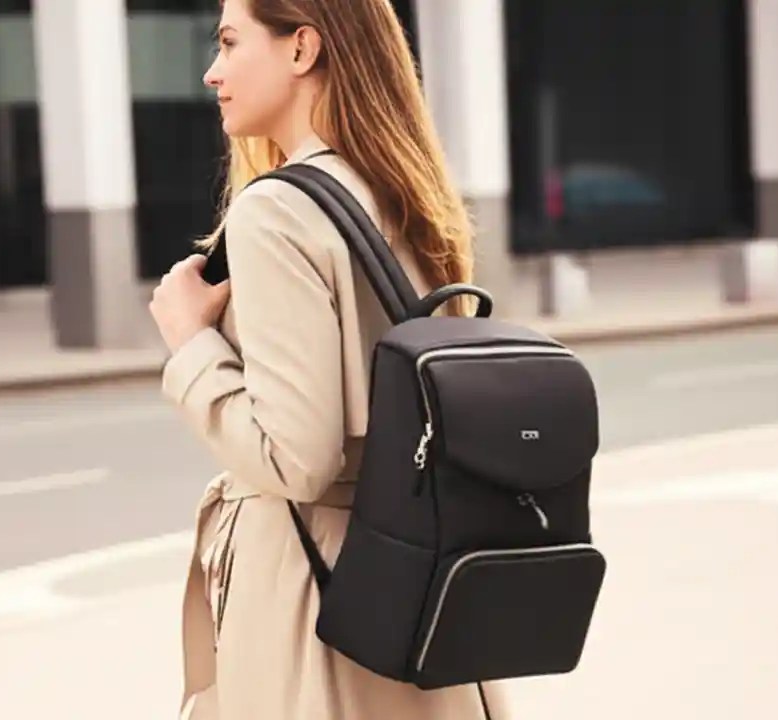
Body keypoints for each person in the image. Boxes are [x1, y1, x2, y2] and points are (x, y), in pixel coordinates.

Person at [148, 0, 512, 717]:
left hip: (316, 600)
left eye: (229, 42)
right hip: (420, 587)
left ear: (302, 48)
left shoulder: (276, 211)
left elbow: (298, 459)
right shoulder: (406, 192)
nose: (212, 71)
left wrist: (191, 343)